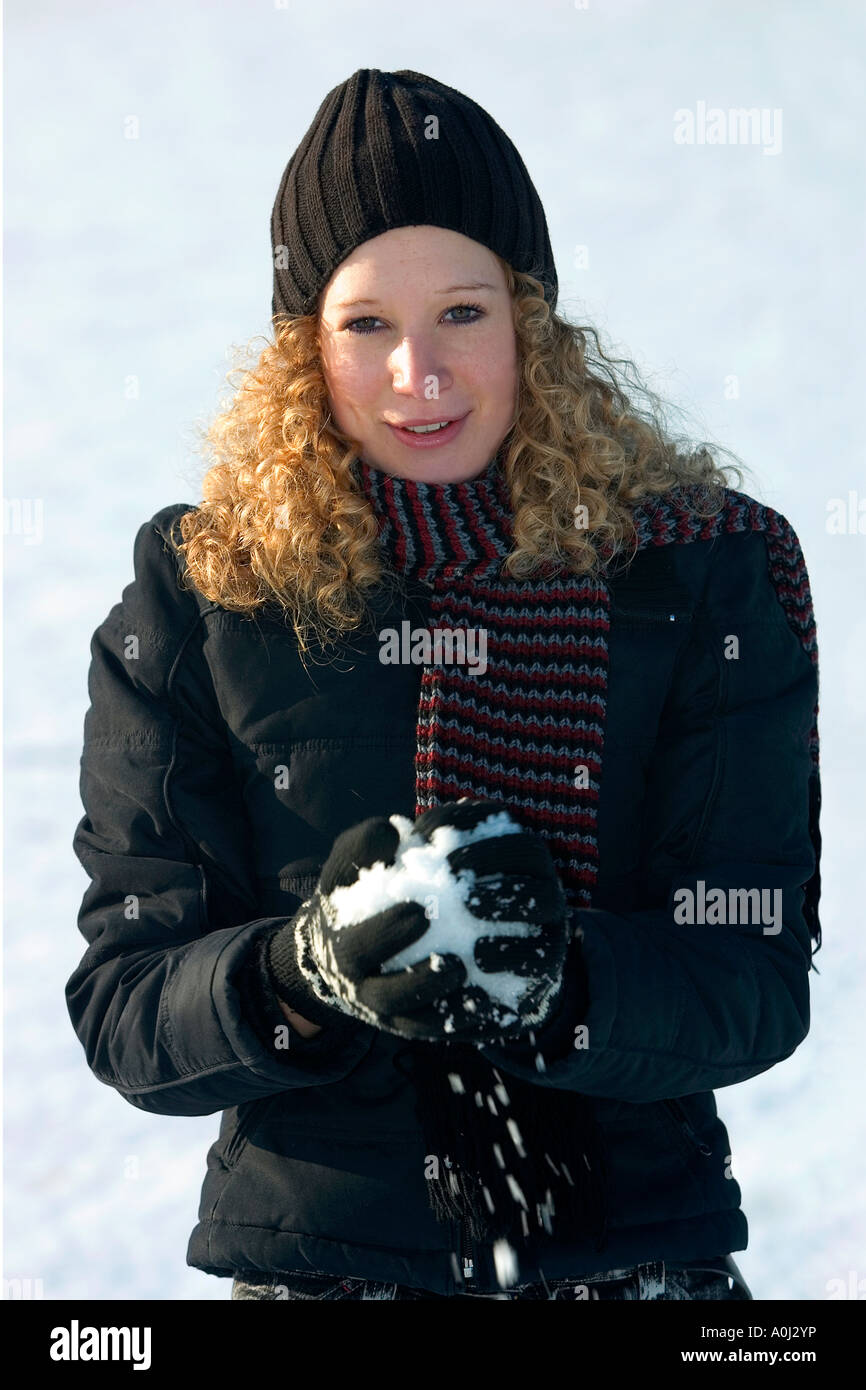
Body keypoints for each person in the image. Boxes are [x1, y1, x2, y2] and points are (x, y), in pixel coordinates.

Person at [67, 68, 821, 1302]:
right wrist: (300, 976)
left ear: (529, 319)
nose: (418, 372)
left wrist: (556, 980)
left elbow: (750, 976)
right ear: (305, 348)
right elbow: (127, 1010)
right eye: (365, 322)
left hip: (634, 1262)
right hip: (321, 1268)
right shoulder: (205, 591)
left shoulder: (700, 568)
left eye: (462, 312)